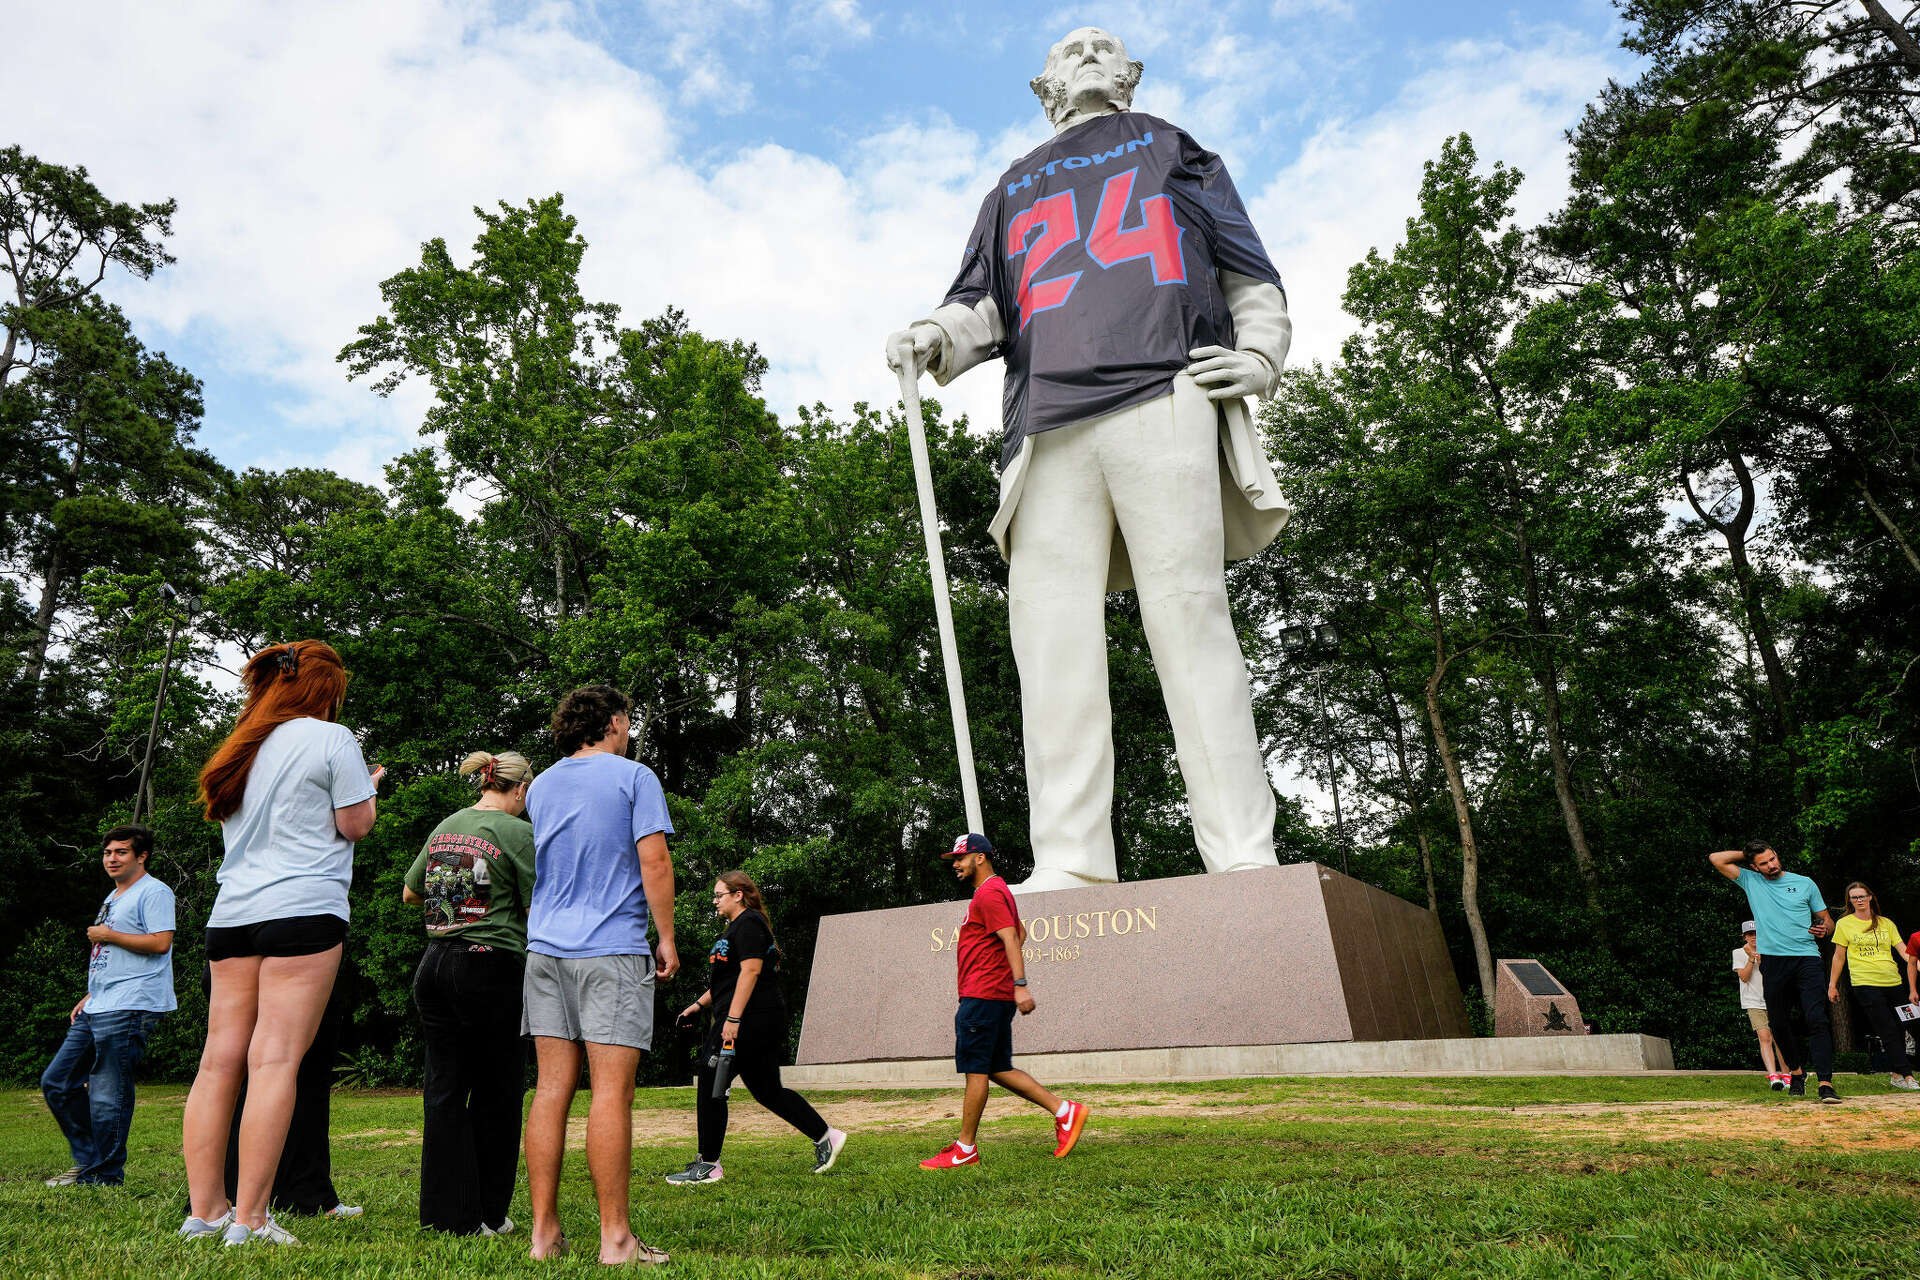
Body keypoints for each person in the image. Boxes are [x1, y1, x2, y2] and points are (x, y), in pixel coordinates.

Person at [885, 27, 1292, 890]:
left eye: (1104, 47)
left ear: (1130, 76)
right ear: (1044, 86)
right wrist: (932, 334)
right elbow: (984, 304)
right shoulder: (1010, 186)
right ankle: (1068, 860)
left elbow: (1247, 271)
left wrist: (1258, 356)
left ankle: (1243, 856)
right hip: (1047, 423)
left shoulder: (1174, 148)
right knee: (1050, 641)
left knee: (1188, 617)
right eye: (1072, 50)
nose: (1088, 55)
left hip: (1164, 390)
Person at [179, 640, 381, 1245]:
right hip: (304, 910)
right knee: (274, 1060)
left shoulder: (241, 748)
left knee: (218, 1062)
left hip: (233, 912)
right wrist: (367, 790)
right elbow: (355, 825)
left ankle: (205, 1211)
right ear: (326, 690)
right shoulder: (332, 739)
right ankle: (252, 1219)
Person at [521, 686, 677, 1267]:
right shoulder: (635, 777)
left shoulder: (541, 786)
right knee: (611, 1093)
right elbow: (654, 861)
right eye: (628, 721)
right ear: (613, 722)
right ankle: (615, 1240)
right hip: (610, 950)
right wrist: (665, 937)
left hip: (545, 952)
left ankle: (544, 1234)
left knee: (551, 1089)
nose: (630, 731)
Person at [403, 749, 539, 1234]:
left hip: (434, 966)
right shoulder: (518, 833)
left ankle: (443, 1216)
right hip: (489, 966)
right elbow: (539, 899)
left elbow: (411, 891)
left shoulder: (449, 825)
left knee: (443, 1092)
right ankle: (487, 1213)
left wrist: (461, 893)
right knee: (497, 1093)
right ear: (520, 788)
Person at [921, 833, 1090, 1168]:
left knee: (975, 1070)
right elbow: (1020, 933)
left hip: (982, 996)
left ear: (979, 857)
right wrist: (1004, 978)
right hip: (992, 993)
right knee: (997, 1068)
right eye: (954, 860)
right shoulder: (998, 892)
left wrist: (1020, 984)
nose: (956, 865)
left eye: (961, 858)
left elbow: (1012, 936)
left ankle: (965, 1149)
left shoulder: (989, 894)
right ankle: (1065, 1111)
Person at [665, 871, 846, 1185]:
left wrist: (732, 1021)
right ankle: (825, 1136)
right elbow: (729, 979)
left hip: (748, 1018)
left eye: (719, 894)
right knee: (766, 1090)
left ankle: (708, 1165)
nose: (714, 900)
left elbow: (750, 972)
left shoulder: (748, 922)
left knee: (711, 1081)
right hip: (753, 1017)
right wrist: (698, 1004)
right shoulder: (740, 927)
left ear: (738, 894)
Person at [42, 824, 176, 1187]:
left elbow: (161, 943)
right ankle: (90, 1162)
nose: (111, 859)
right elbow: (111, 956)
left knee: (107, 1090)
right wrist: (92, 992)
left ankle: (104, 1174)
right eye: (107, 852)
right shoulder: (113, 897)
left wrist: (109, 935)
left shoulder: (154, 892)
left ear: (141, 856)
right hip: (102, 1000)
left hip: (133, 1001)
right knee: (58, 1081)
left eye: (120, 852)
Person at [1709, 841, 1838, 1102]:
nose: (1772, 864)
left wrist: (1825, 928)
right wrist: (1747, 855)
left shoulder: (1805, 883)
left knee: (1817, 1019)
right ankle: (1797, 1075)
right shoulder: (1751, 881)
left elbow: (1827, 921)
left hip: (1807, 957)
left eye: (1773, 858)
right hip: (1774, 960)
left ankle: (1825, 1083)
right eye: (1764, 862)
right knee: (1778, 1022)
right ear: (1754, 866)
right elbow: (1716, 858)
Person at [1826, 881, 1919, 1091]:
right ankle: (1907, 1075)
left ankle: (1896, 1074)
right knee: (1887, 1030)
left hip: (1893, 982)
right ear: (1850, 901)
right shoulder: (1845, 924)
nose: (1859, 900)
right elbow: (1839, 957)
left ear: (1870, 897)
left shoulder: (1886, 923)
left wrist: (1918, 964)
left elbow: (1904, 951)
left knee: (1903, 1027)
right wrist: (1832, 985)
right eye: (1854, 897)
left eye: (1861, 896)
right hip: (1865, 983)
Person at [1731, 921, 1787, 1090]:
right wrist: (1750, 959)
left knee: (1780, 1039)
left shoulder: (1771, 949)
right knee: (1765, 1037)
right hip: (1753, 1001)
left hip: (1775, 999)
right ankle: (1773, 1076)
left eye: (1756, 933)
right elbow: (1744, 977)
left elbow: (1774, 974)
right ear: (1744, 937)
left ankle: (1787, 1075)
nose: (1754, 937)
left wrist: (1761, 959)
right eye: (1750, 934)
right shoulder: (1738, 952)